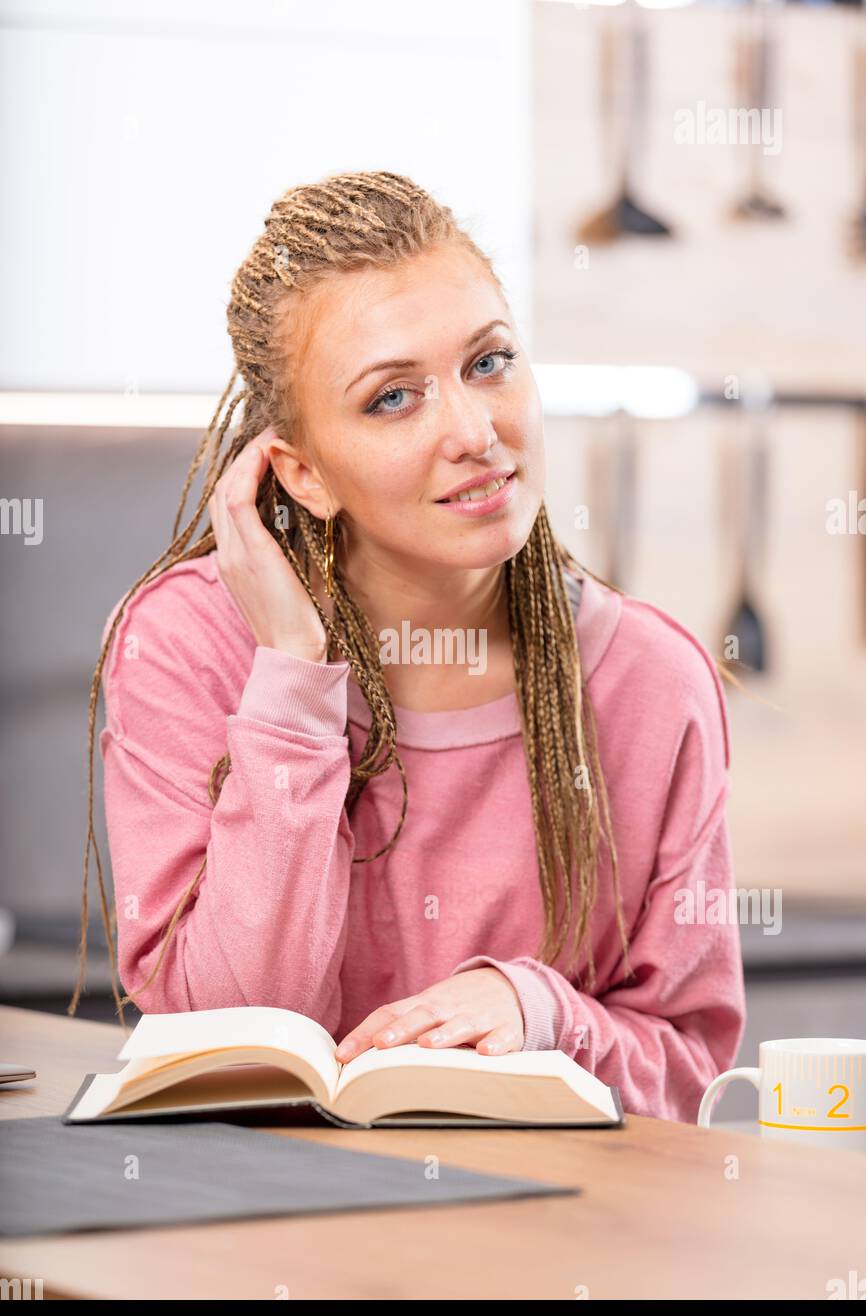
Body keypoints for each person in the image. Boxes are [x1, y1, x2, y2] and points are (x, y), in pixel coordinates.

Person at [73, 170, 746, 1123]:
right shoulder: (181, 647)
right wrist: (293, 686)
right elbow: (229, 1049)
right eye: (394, 399)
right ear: (301, 474)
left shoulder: (651, 680)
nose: (475, 434)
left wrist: (538, 1010)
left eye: (489, 363)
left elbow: (696, 1078)